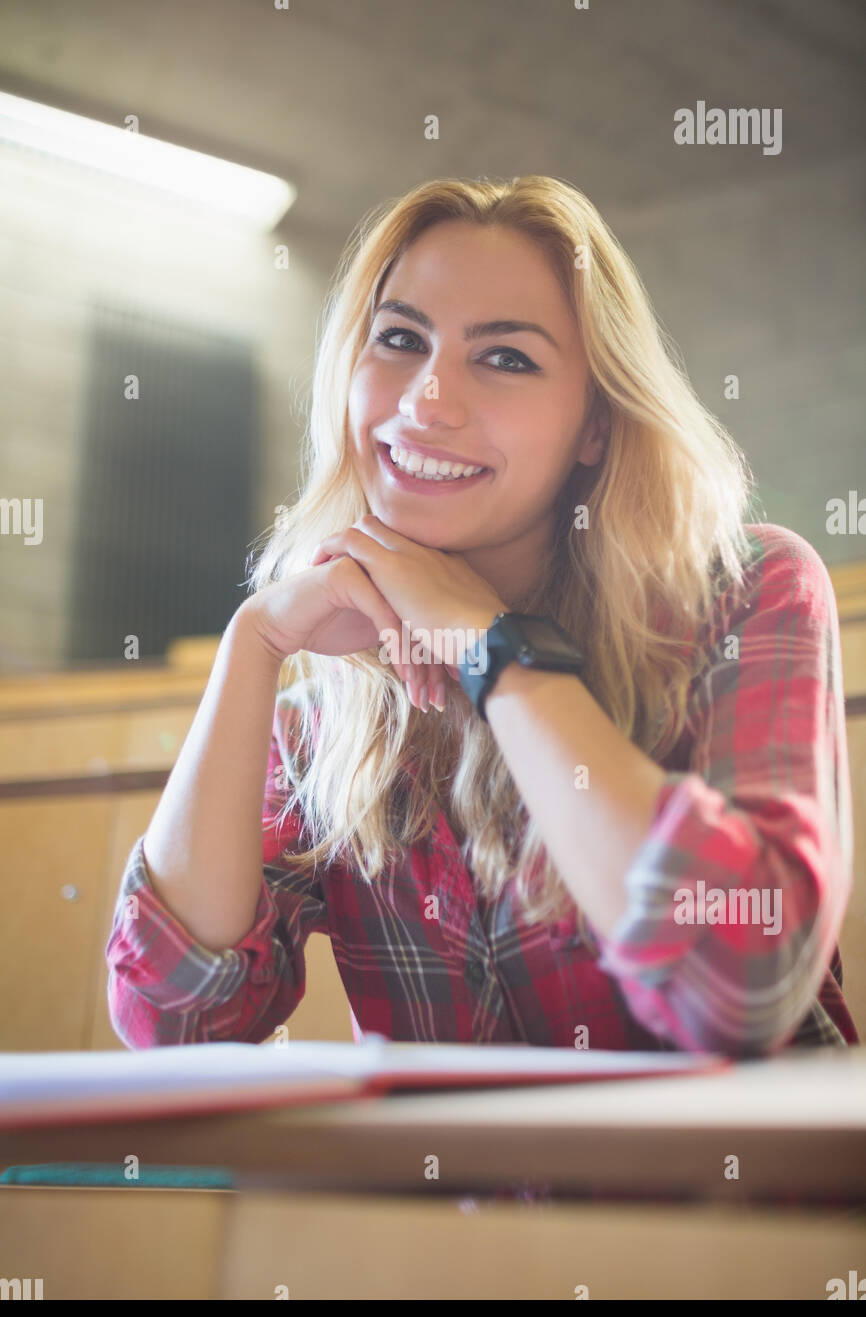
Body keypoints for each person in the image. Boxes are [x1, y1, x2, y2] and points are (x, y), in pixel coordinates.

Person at [106, 175, 858, 1056]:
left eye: (506, 358)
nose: (427, 401)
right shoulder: (325, 725)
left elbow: (738, 986)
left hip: (731, 1196)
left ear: (596, 426)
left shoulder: (746, 594)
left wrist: (491, 646)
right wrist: (254, 642)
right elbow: (178, 1021)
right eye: (399, 339)